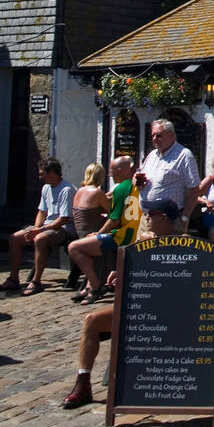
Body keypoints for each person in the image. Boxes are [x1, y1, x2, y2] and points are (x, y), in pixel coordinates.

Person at [61, 199, 184, 410]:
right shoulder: (143, 243)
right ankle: (83, 383)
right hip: (139, 310)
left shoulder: (184, 244)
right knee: (91, 321)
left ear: (163, 218)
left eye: (150, 214)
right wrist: (121, 274)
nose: (146, 217)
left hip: (168, 315)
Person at [2, 159, 76, 295]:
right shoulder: (46, 188)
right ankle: (13, 279)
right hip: (46, 226)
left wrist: (40, 231)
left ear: (52, 173)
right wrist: (35, 228)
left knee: (40, 239)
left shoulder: (67, 189)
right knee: (15, 238)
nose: (39, 177)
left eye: (42, 174)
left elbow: (64, 218)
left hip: (63, 228)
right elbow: (42, 211)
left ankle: (36, 282)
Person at [68, 157, 136, 302]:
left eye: (112, 171)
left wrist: (98, 233)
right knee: (90, 247)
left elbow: (114, 219)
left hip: (122, 236)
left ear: (122, 170)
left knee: (74, 248)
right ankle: (90, 286)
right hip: (132, 233)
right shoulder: (134, 186)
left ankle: (95, 285)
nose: (111, 175)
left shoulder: (120, 188)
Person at [134, 120, 200, 229]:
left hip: (169, 220)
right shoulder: (152, 155)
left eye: (159, 135)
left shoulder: (184, 156)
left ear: (172, 136)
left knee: (167, 247)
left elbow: (194, 189)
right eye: (153, 135)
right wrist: (136, 180)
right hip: (146, 219)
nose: (155, 138)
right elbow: (140, 175)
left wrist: (184, 217)